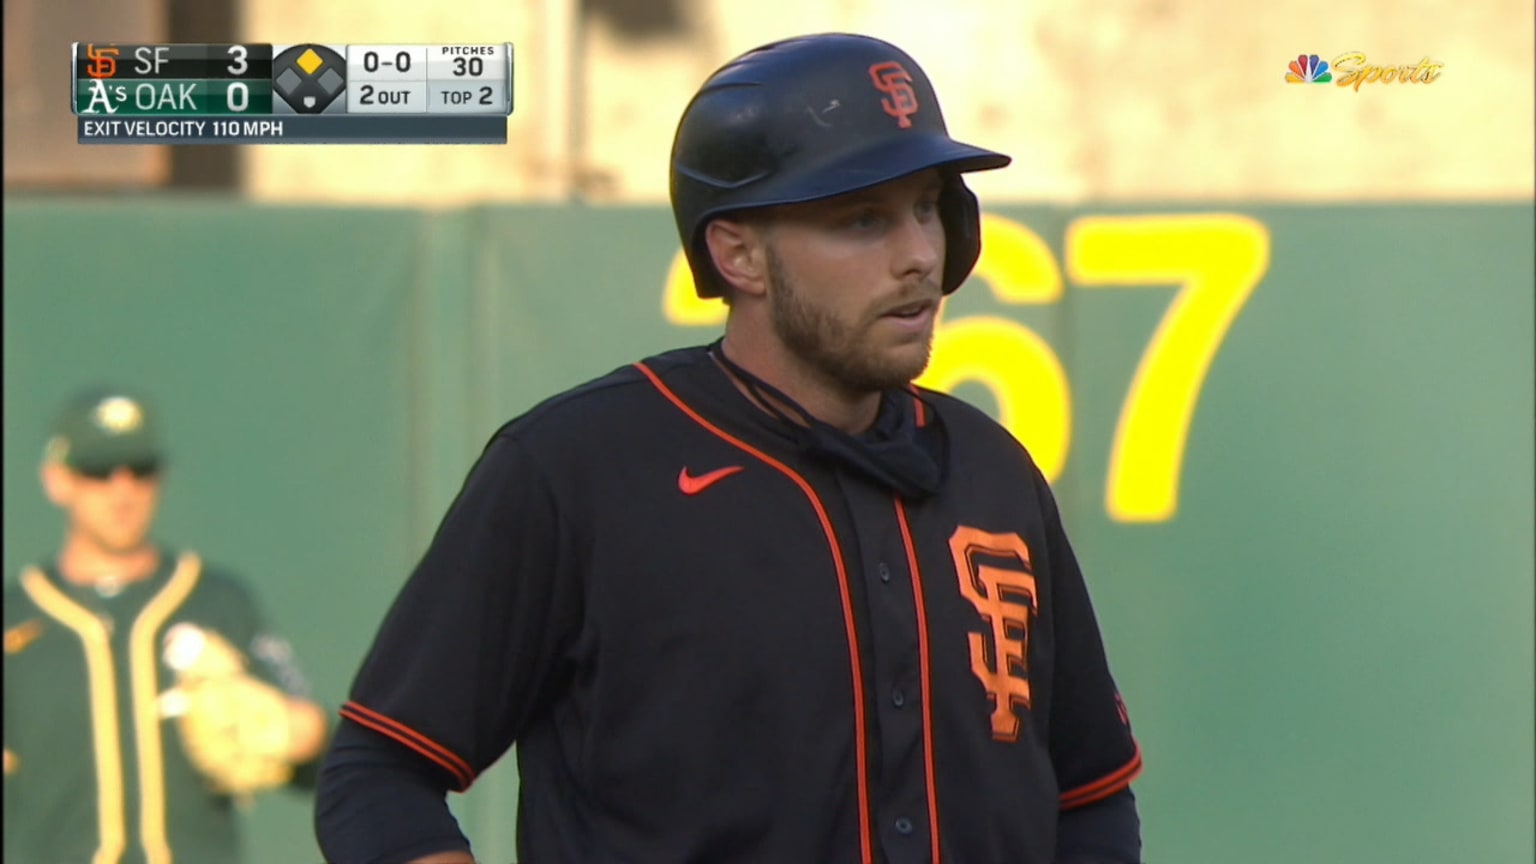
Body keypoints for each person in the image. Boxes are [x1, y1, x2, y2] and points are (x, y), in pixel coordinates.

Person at [315, 32, 1143, 864]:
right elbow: (379, 775)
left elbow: (1092, 797)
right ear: (738, 252)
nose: (919, 255)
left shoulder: (994, 474)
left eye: (928, 207)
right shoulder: (581, 470)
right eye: (863, 219)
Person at [3, 388, 332, 864]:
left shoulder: (215, 600)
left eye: (139, 470)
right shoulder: (15, 619)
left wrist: (292, 728)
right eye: (99, 472)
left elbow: (316, 743)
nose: (123, 491)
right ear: (58, 480)